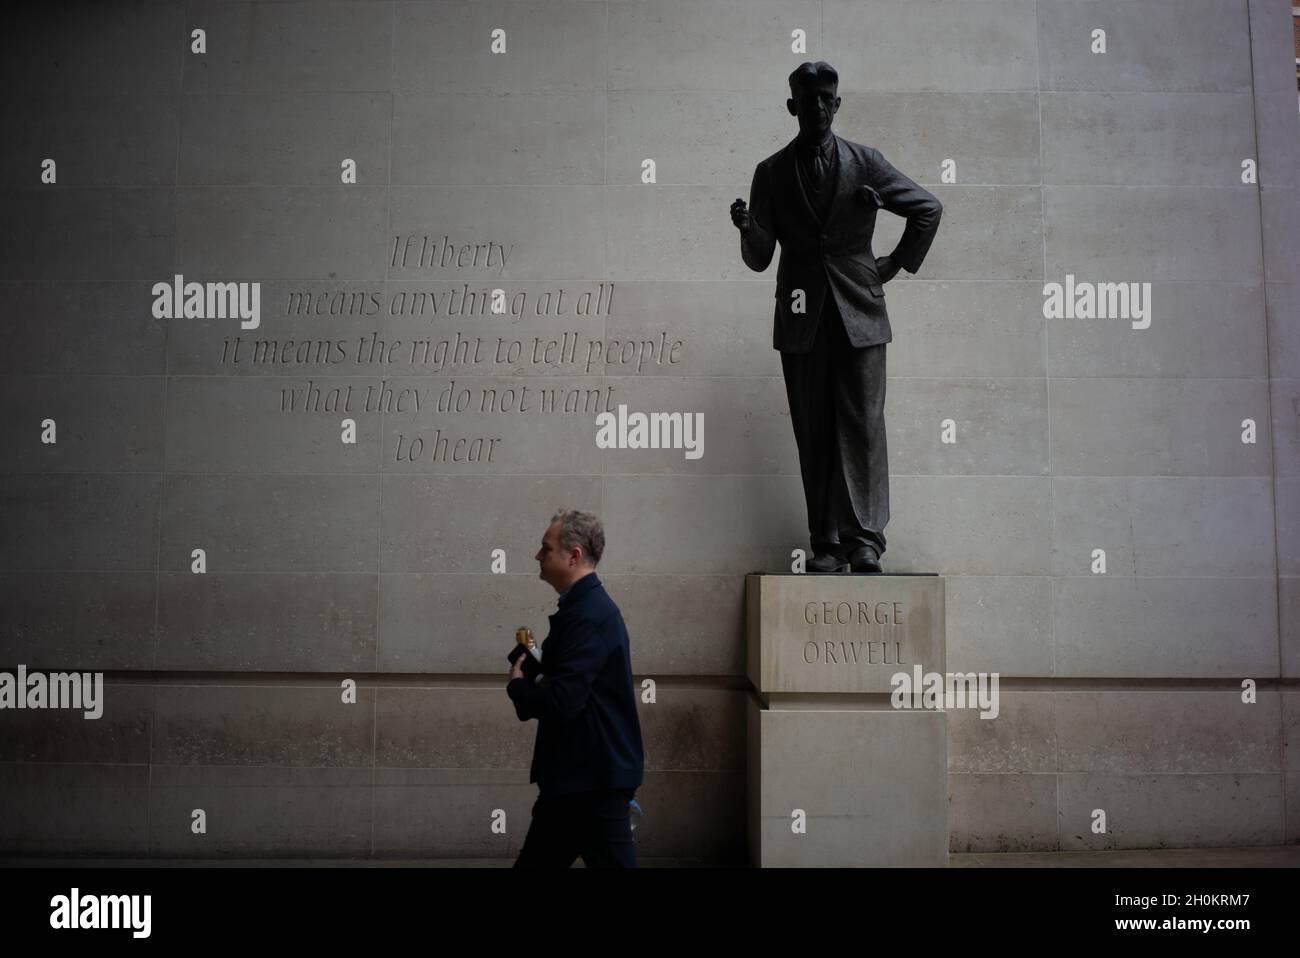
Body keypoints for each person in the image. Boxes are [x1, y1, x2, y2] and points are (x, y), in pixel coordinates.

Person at [731, 60, 942, 574]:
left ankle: (865, 540)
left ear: (837, 104)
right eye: (809, 101)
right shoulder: (771, 172)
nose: (819, 108)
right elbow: (761, 258)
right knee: (814, 428)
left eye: (827, 99)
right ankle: (825, 542)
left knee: (863, 425)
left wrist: (891, 264)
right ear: (793, 107)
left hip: (861, 313)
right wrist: (746, 228)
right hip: (803, 316)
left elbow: (927, 208)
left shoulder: (866, 163)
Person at [507, 509, 645, 867]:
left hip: (591, 783)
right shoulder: (584, 609)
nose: (538, 556)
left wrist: (519, 689)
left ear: (574, 556)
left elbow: (565, 700)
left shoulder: (588, 614)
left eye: (546, 548)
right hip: (578, 778)